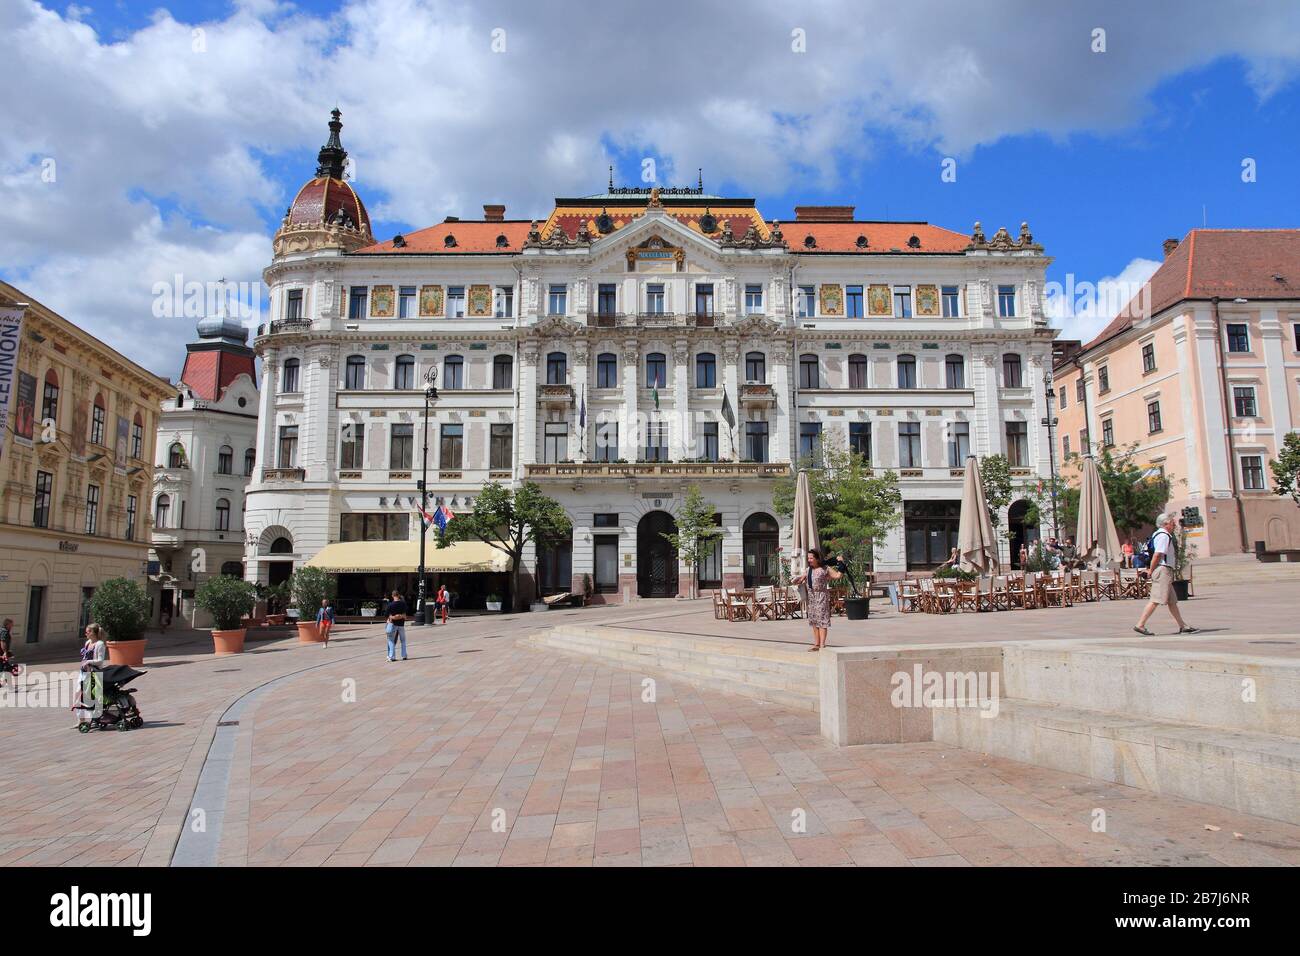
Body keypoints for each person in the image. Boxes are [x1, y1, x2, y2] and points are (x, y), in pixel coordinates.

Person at [1134, 513, 1198, 636]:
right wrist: (1151, 571)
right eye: (1172, 522)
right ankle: (1140, 625)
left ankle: (1183, 626)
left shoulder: (1158, 534)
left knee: (1172, 601)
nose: (1174, 524)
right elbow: (1158, 554)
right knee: (1155, 599)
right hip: (1163, 570)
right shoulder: (1163, 536)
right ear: (1165, 524)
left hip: (1164, 570)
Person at [791, 549, 843, 653]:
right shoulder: (808, 570)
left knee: (822, 620)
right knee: (814, 621)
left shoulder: (825, 569)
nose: (809, 560)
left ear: (817, 558)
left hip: (821, 596)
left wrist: (841, 563)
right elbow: (802, 579)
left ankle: (822, 645)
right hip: (811, 597)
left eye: (811, 558)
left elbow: (838, 575)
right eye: (808, 558)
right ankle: (817, 644)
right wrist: (798, 580)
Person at [385, 589, 408, 661]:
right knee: (403, 640)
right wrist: (400, 616)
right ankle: (404, 655)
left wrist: (393, 617)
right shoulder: (403, 604)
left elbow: (386, 615)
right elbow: (404, 615)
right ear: (398, 595)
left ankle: (392, 656)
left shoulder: (390, 605)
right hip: (401, 624)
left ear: (392, 596)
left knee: (391, 640)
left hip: (393, 624)